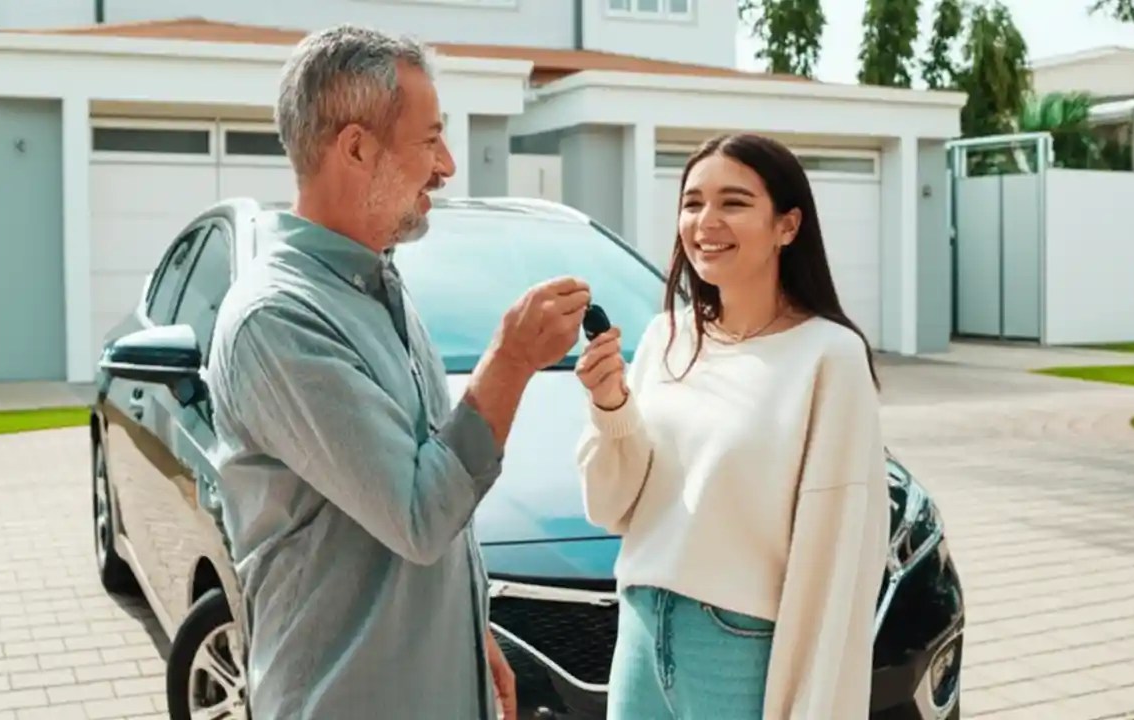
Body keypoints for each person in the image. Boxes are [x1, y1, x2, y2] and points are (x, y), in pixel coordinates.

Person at [205, 25, 590, 720]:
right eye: (429, 139)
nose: (446, 165)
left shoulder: (379, 282)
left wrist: (471, 635)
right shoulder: (279, 321)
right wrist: (509, 362)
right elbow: (419, 512)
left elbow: (429, 473)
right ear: (356, 147)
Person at [574, 132, 889, 719]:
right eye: (692, 203)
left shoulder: (828, 356)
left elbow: (839, 554)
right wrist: (612, 408)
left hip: (739, 648)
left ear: (787, 226)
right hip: (642, 628)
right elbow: (610, 507)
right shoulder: (667, 336)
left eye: (734, 202)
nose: (706, 221)